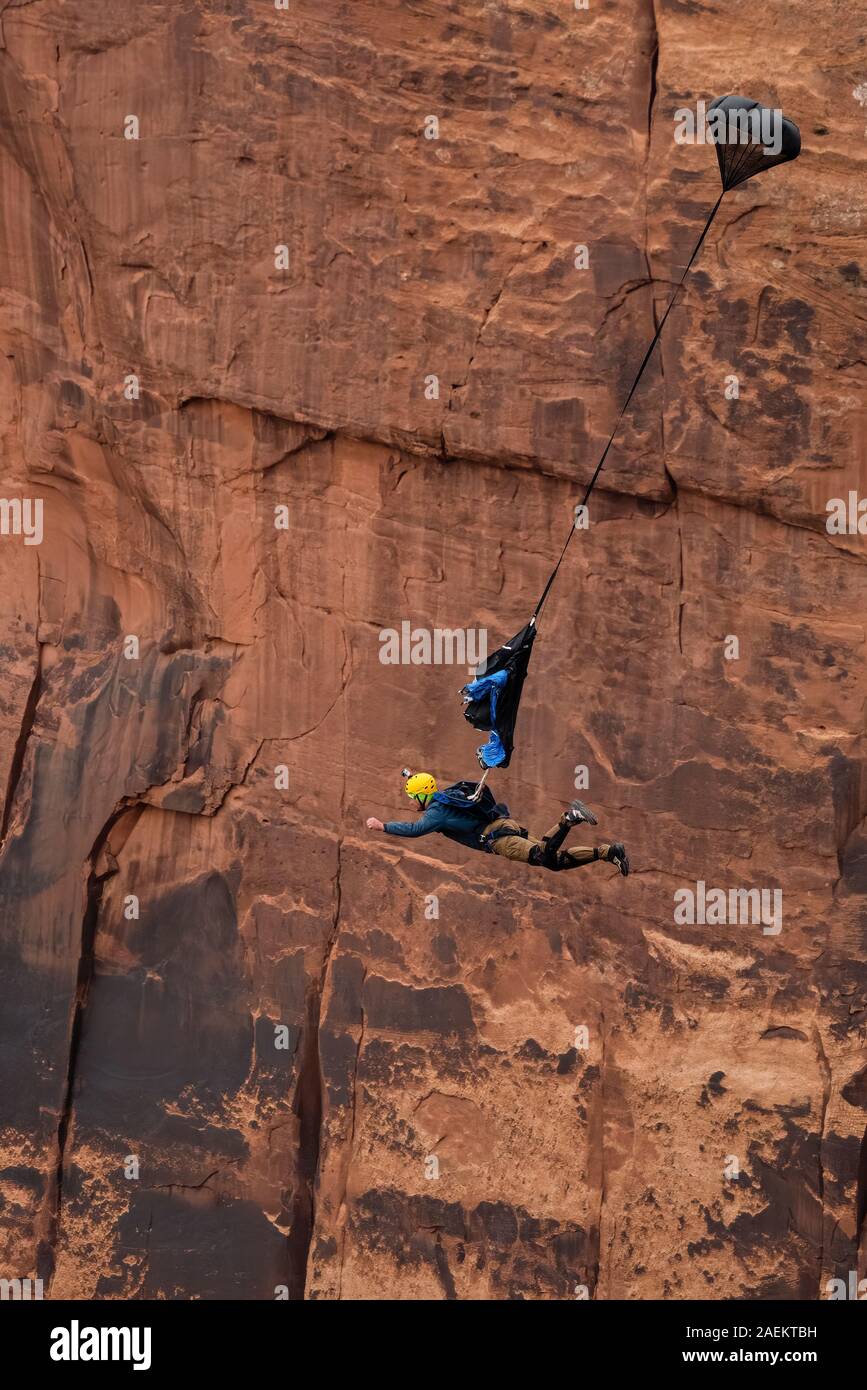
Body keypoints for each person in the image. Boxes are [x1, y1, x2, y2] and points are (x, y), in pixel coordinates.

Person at [366, 772, 629, 875]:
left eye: (413, 797)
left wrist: (383, 826)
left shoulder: (437, 812)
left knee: (542, 857)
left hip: (498, 839)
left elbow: (416, 830)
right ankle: (609, 852)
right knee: (553, 860)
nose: (411, 803)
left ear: (423, 795)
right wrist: (411, 776)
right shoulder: (447, 796)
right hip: (504, 827)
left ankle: (569, 818)